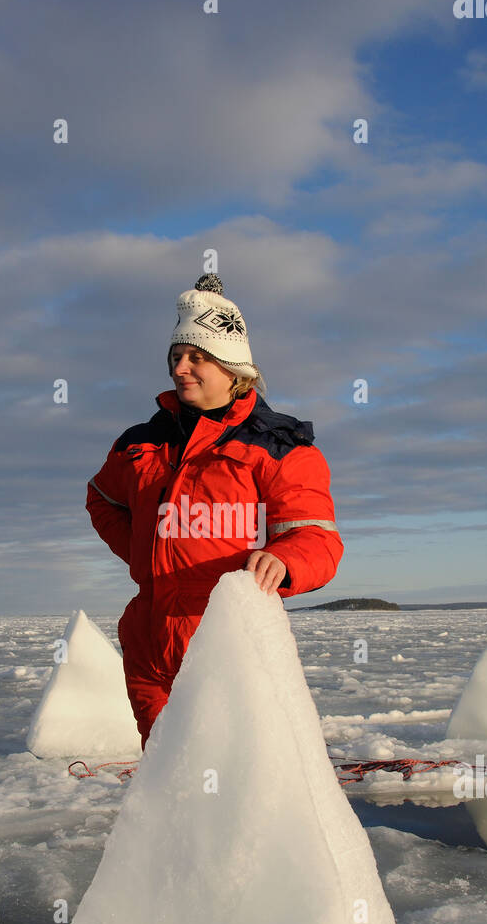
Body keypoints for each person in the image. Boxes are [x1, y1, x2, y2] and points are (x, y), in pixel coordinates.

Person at [86, 274, 344, 748]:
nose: (180, 368)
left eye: (196, 358)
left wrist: (285, 559)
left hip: (229, 647)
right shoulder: (140, 443)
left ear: (232, 368)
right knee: (169, 783)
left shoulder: (279, 447)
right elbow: (102, 499)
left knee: (236, 785)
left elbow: (316, 536)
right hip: (149, 646)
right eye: (175, 357)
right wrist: (144, 553)